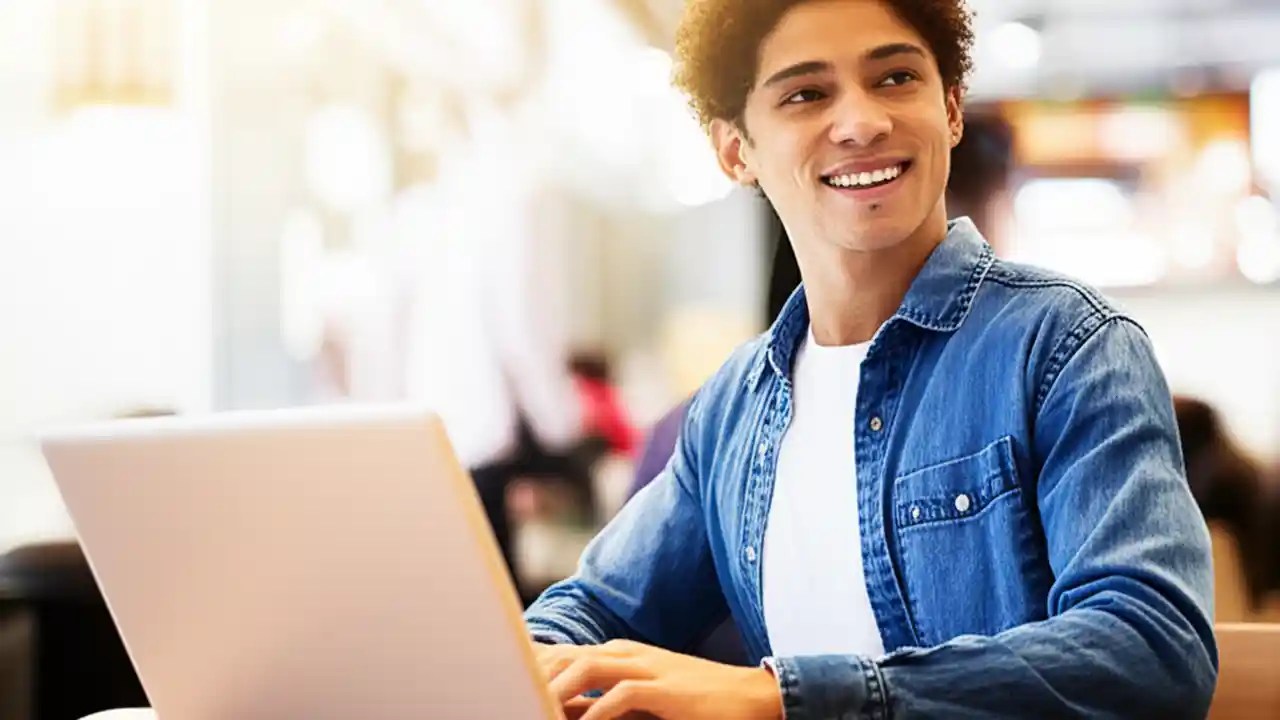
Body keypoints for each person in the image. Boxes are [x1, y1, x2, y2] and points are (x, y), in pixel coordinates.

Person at [524, 1, 1217, 718]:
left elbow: (1152, 649)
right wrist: (528, 666)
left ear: (951, 109)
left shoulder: (1065, 347)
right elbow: (589, 612)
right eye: (806, 94)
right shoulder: (734, 409)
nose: (862, 122)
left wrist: (780, 698)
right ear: (735, 151)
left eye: (895, 78)